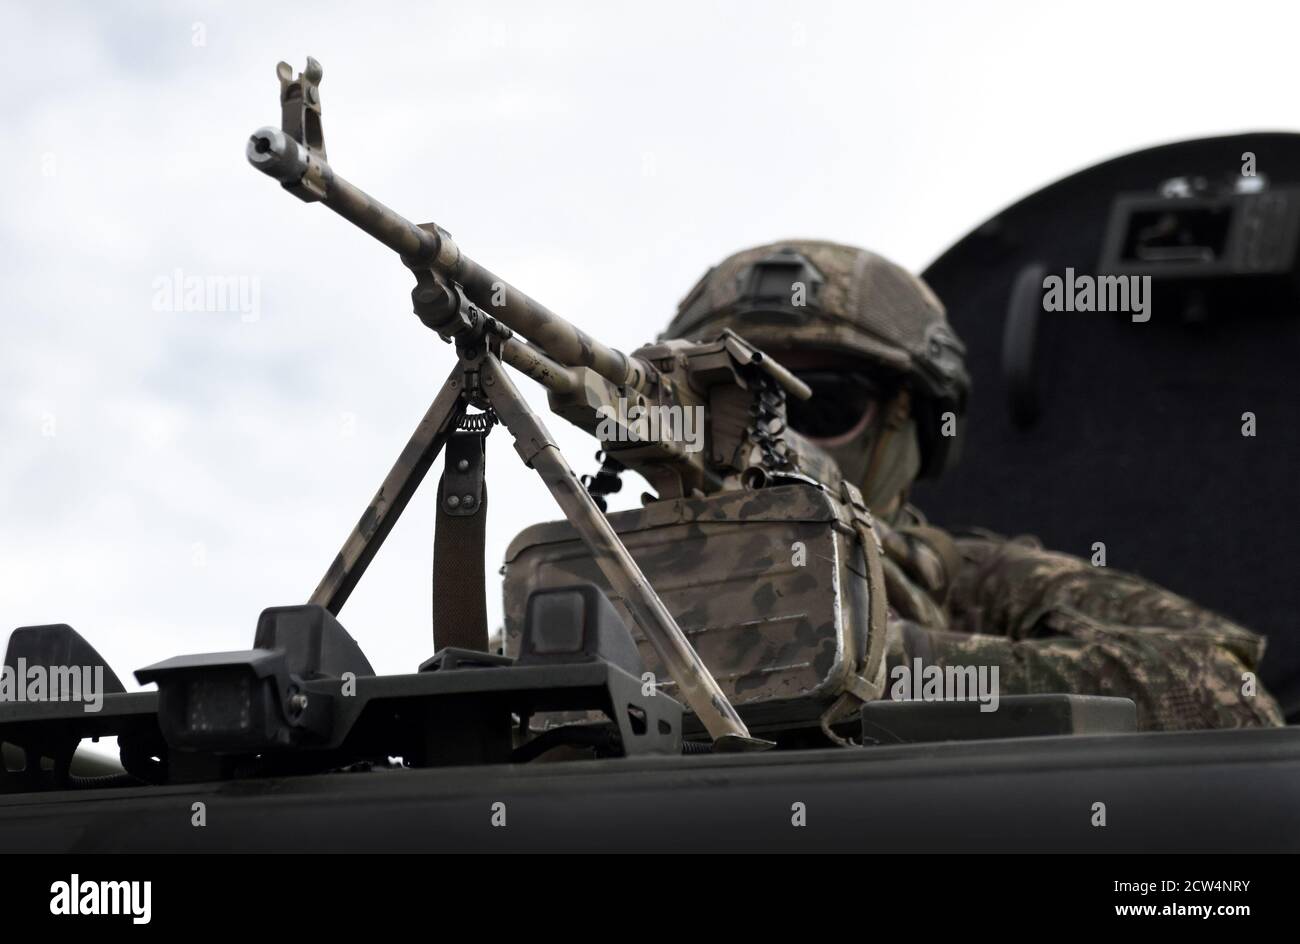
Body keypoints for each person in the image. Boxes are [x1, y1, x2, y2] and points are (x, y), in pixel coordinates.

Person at [662, 239, 1283, 730]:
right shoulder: (595, 584)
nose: (767, 438)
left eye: (822, 407)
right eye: (730, 409)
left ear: (913, 428)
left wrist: (889, 664)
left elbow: (1225, 691)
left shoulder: (981, 587)